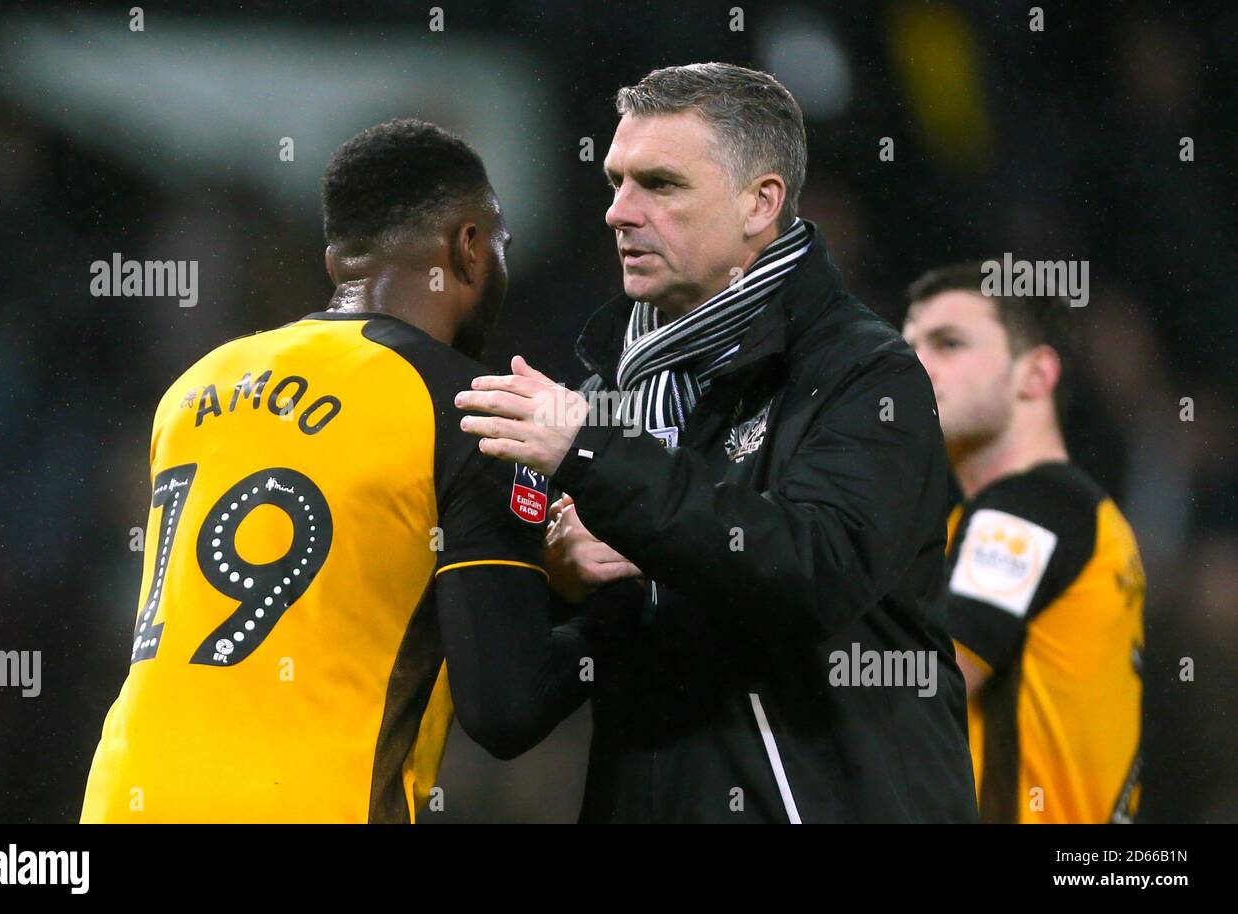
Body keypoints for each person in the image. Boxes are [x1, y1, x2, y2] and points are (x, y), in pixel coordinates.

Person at [456, 63, 977, 823]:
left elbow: (818, 568)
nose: (618, 212)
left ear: (759, 203)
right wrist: (560, 578)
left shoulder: (863, 373)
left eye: (660, 185)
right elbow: (522, 700)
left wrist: (596, 456)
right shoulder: (607, 389)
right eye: (615, 181)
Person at [81, 120, 586, 824]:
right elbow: (506, 710)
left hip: (122, 799)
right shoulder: (473, 411)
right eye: (501, 243)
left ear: (334, 258)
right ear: (469, 248)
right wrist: (607, 598)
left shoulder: (194, 387)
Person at [902, 262, 1145, 823]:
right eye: (907, 344)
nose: (913, 365)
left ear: (1035, 374)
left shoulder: (1028, 510)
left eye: (948, 343)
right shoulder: (1071, 511)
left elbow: (930, 682)